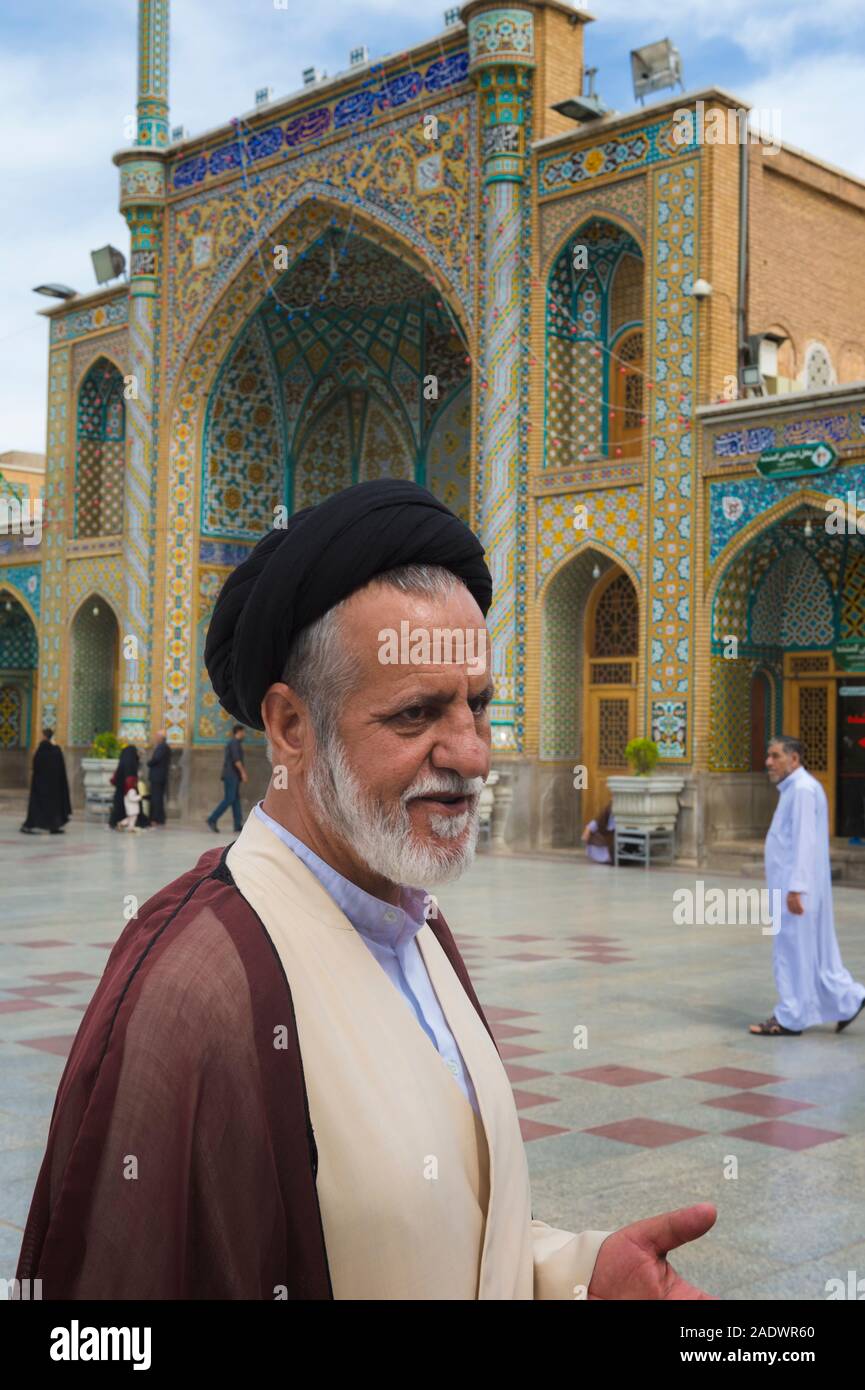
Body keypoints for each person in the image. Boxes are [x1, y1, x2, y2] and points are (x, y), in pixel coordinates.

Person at [17, 479, 716, 1300]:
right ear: (290, 727)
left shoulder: (413, 927)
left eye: (478, 707)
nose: (472, 754)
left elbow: (421, 1241)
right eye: (416, 715)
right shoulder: (199, 987)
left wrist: (575, 1276)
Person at [750, 735, 865, 1037]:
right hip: (795, 885)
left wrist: (796, 888)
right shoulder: (797, 789)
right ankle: (849, 998)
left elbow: (804, 842)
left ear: (795, 759)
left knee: (792, 950)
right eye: (768, 755)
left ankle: (789, 1017)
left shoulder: (801, 790)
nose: (768, 762)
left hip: (795, 888)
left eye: (775, 756)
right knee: (813, 952)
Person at [20, 728, 71, 835]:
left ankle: (32, 825)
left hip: (40, 785)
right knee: (53, 806)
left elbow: (35, 765)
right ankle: (54, 825)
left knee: (38, 805)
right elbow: (61, 769)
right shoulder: (57, 750)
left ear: (44, 736)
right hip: (54, 786)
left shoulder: (41, 750)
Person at [207, 725, 247, 833]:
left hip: (234, 775)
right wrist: (243, 773)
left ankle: (237, 825)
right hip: (231, 775)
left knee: (235, 800)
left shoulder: (236, 743)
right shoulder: (234, 743)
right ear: (239, 731)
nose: (244, 734)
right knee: (229, 799)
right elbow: (236, 760)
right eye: (243, 732)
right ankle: (212, 819)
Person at [108, 744, 149, 830]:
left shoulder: (123, 762)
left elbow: (116, 778)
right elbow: (131, 778)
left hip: (121, 790)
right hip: (129, 789)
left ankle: (118, 822)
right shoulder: (131, 763)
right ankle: (132, 823)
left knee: (120, 806)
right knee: (133, 807)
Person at [146, 730, 170, 826]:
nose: (155, 738)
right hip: (161, 776)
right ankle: (160, 818)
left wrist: (149, 763)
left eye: (157, 736)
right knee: (158, 797)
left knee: (156, 798)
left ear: (161, 738)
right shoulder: (165, 747)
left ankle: (156, 818)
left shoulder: (162, 747)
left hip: (157, 776)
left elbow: (156, 759)